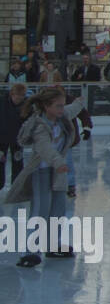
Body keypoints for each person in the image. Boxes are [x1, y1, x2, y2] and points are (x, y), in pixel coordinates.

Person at [3, 87, 80, 265]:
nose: (62, 109)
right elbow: (45, 148)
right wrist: (59, 162)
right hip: (42, 171)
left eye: (63, 105)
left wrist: (78, 103)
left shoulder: (61, 117)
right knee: (40, 212)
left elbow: (71, 110)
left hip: (58, 173)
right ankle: (31, 250)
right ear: (47, 106)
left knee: (58, 210)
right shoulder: (39, 125)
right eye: (58, 106)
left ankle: (53, 245)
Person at [1, 82, 26, 190]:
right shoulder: (2, 102)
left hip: (18, 140)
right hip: (1, 139)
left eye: (21, 96)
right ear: (12, 94)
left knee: (18, 163)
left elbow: (29, 121)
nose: (18, 98)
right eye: (17, 95)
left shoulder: (26, 105)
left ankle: (17, 188)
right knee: (1, 162)